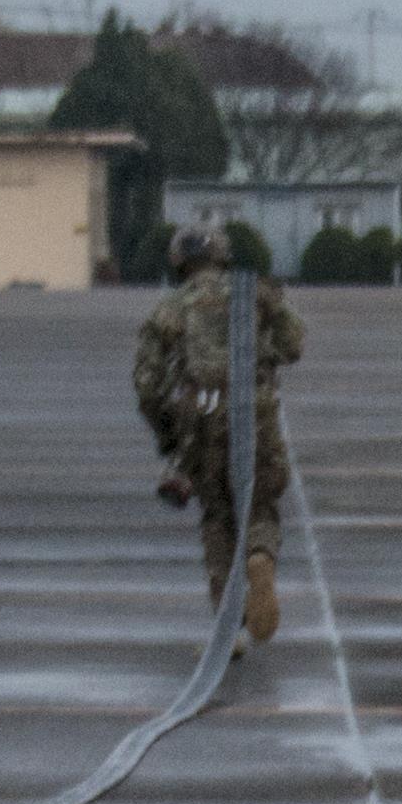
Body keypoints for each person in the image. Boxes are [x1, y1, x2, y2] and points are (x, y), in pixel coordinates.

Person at [130, 222, 303, 641]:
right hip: (254, 408)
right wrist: (263, 358)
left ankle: (229, 630)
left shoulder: (169, 309)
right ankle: (260, 557)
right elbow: (293, 343)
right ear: (223, 255)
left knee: (218, 514)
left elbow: (147, 385)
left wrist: (169, 436)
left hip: (199, 416)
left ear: (179, 262)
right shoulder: (256, 293)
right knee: (259, 505)